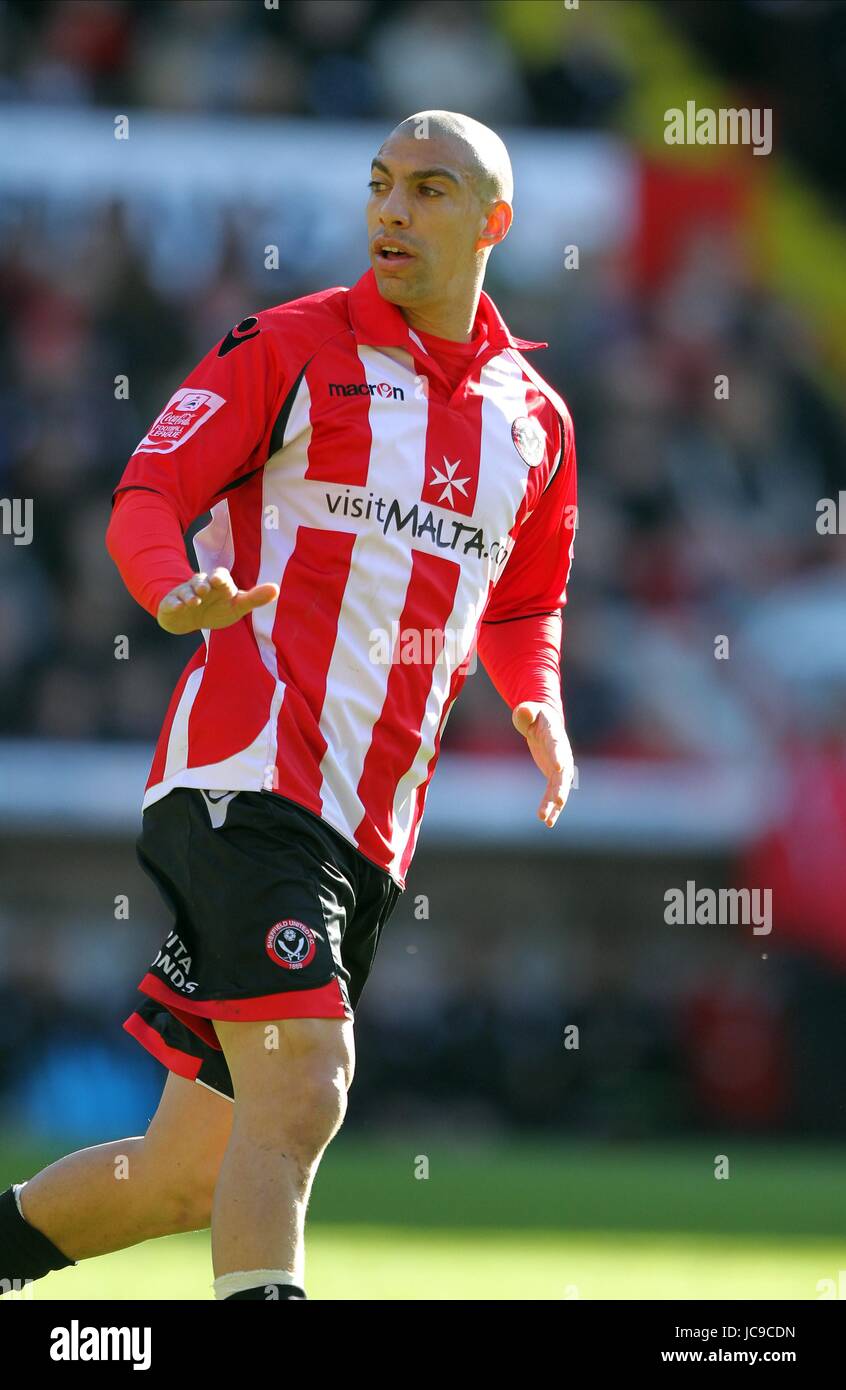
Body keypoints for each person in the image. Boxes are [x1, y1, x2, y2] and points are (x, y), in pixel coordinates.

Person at [1, 110, 577, 1301]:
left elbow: (524, 610)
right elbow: (148, 491)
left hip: (370, 825)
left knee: (179, 1173)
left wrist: (537, 707)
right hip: (249, 778)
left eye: (427, 189)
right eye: (379, 186)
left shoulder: (537, 421)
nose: (391, 212)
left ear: (493, 223)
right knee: (309, 1081)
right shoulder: (291, 345)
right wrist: (174, 590)